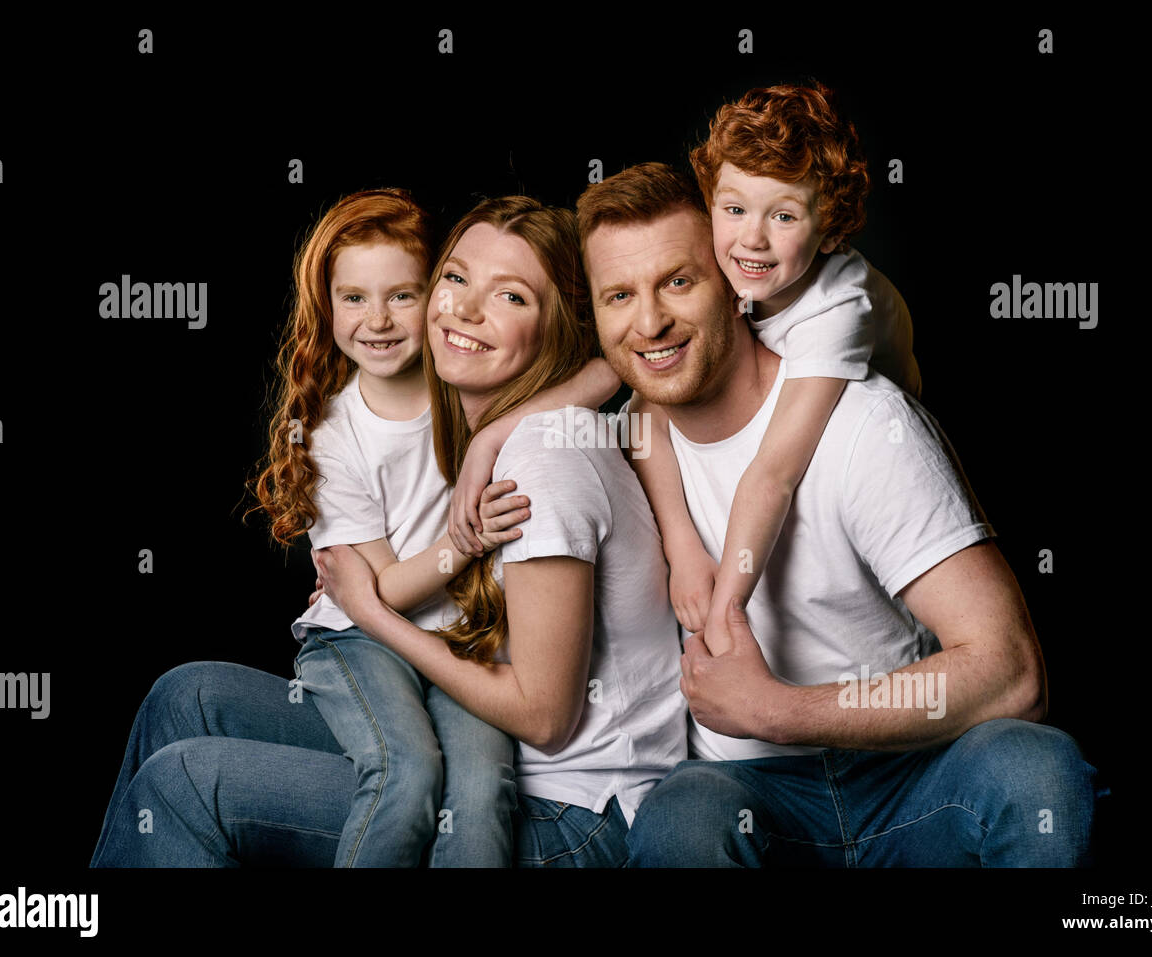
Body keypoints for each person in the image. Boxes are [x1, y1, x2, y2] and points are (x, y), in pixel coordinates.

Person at [90, 195, 685, 868]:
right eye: (456, 279)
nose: (462, 309)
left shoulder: (543, 462)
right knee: (185, 694)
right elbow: (608, 367)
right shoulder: (478, 422)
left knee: (185, 784)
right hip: (488, 725)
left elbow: (544, 717)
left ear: (559, 327)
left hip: (566, 811)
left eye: (512, 296)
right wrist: (489, 435)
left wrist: (369, 608)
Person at [576, 161, 1097, 866]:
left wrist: (776, 711)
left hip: (912, 772)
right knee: (680, 819)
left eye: (678, 280)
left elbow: (1012, 671)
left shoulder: (862, 425)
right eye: (619, 295)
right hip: (749, 791)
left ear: (736, 281)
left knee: (1036, 771)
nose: (649, 320)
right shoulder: (621, 440)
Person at [244, 188, 529, 867]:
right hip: (358, 638)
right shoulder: (332, 433)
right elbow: (383, 594)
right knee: (407, 771)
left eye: (401, 295)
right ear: (327, 305)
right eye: (354, 298)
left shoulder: (470, 380)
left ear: (437, 296)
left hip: (460, 643)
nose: (377, 319)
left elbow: (601, 367)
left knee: (485, 788)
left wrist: (488, 445)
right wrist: (465, 539)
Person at [629, 83, 921, 656]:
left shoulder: (838, 308)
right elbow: (641, 402)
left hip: (865, 460)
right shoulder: (735, 270)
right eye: (734, 209)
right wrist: (683, 548)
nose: (752, 238)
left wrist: (722, 614)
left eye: (784, 215)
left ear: (831, 229)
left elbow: (773, 475)